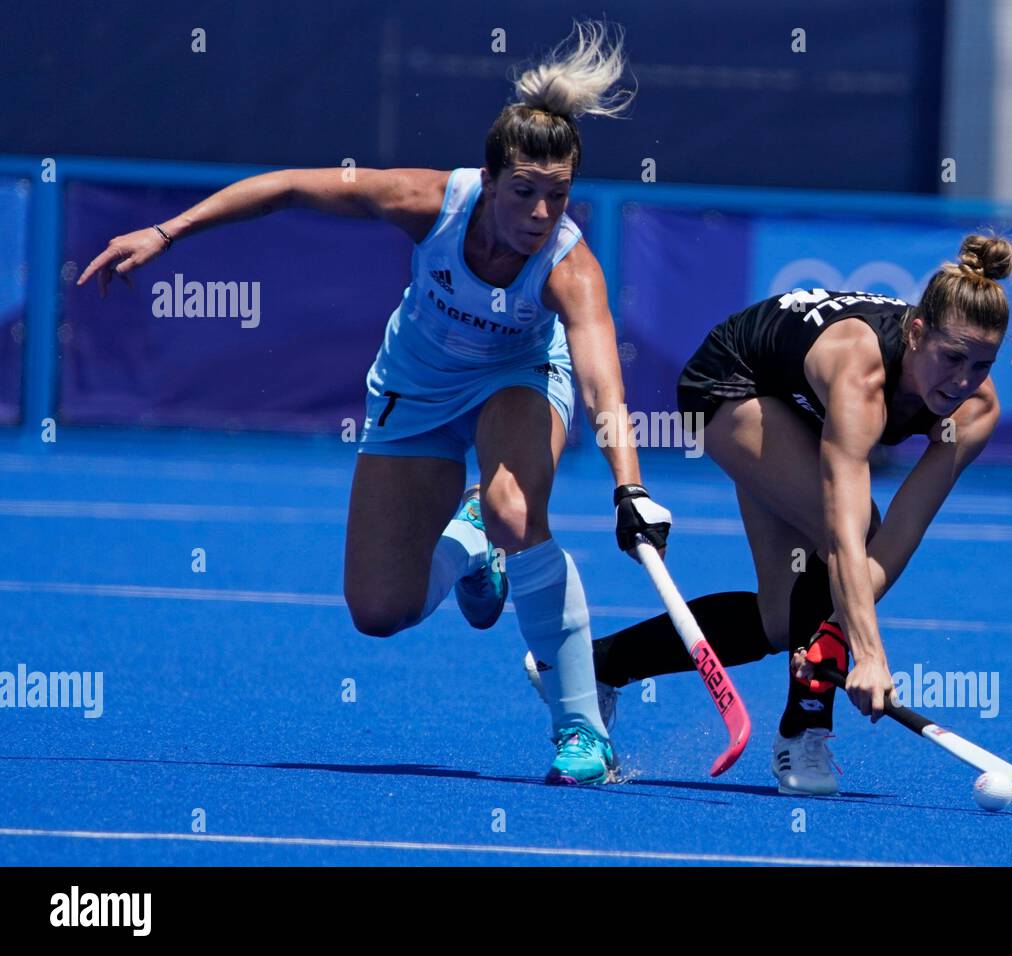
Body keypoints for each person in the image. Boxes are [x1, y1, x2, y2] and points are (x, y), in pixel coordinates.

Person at [76, 21, 672, 787]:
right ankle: (467, 540)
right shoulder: (426, 202)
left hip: (518, 378)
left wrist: (630, 486)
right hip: (417, 389)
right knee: (380, 610)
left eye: (557, 197)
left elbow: (601, 382)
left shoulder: (570, 267)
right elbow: (289, 186)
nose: (539, 214)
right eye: (523, 193)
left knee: (518, 511)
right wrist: (168, 231)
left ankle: (581, 732)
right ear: (489, 183)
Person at [530, 235, 1012, 796]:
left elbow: (905, 530)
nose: (961, 381)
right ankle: (804, 732)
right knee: (845, 536)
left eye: (982, 364)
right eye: (952, 358)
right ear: (916, 332)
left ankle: (592, 667)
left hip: (803, 402)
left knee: (784, 621)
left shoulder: (976, 411)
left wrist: (834, 629)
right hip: (736, 383)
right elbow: (845, 532)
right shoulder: (862, 376)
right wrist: (869, 654)